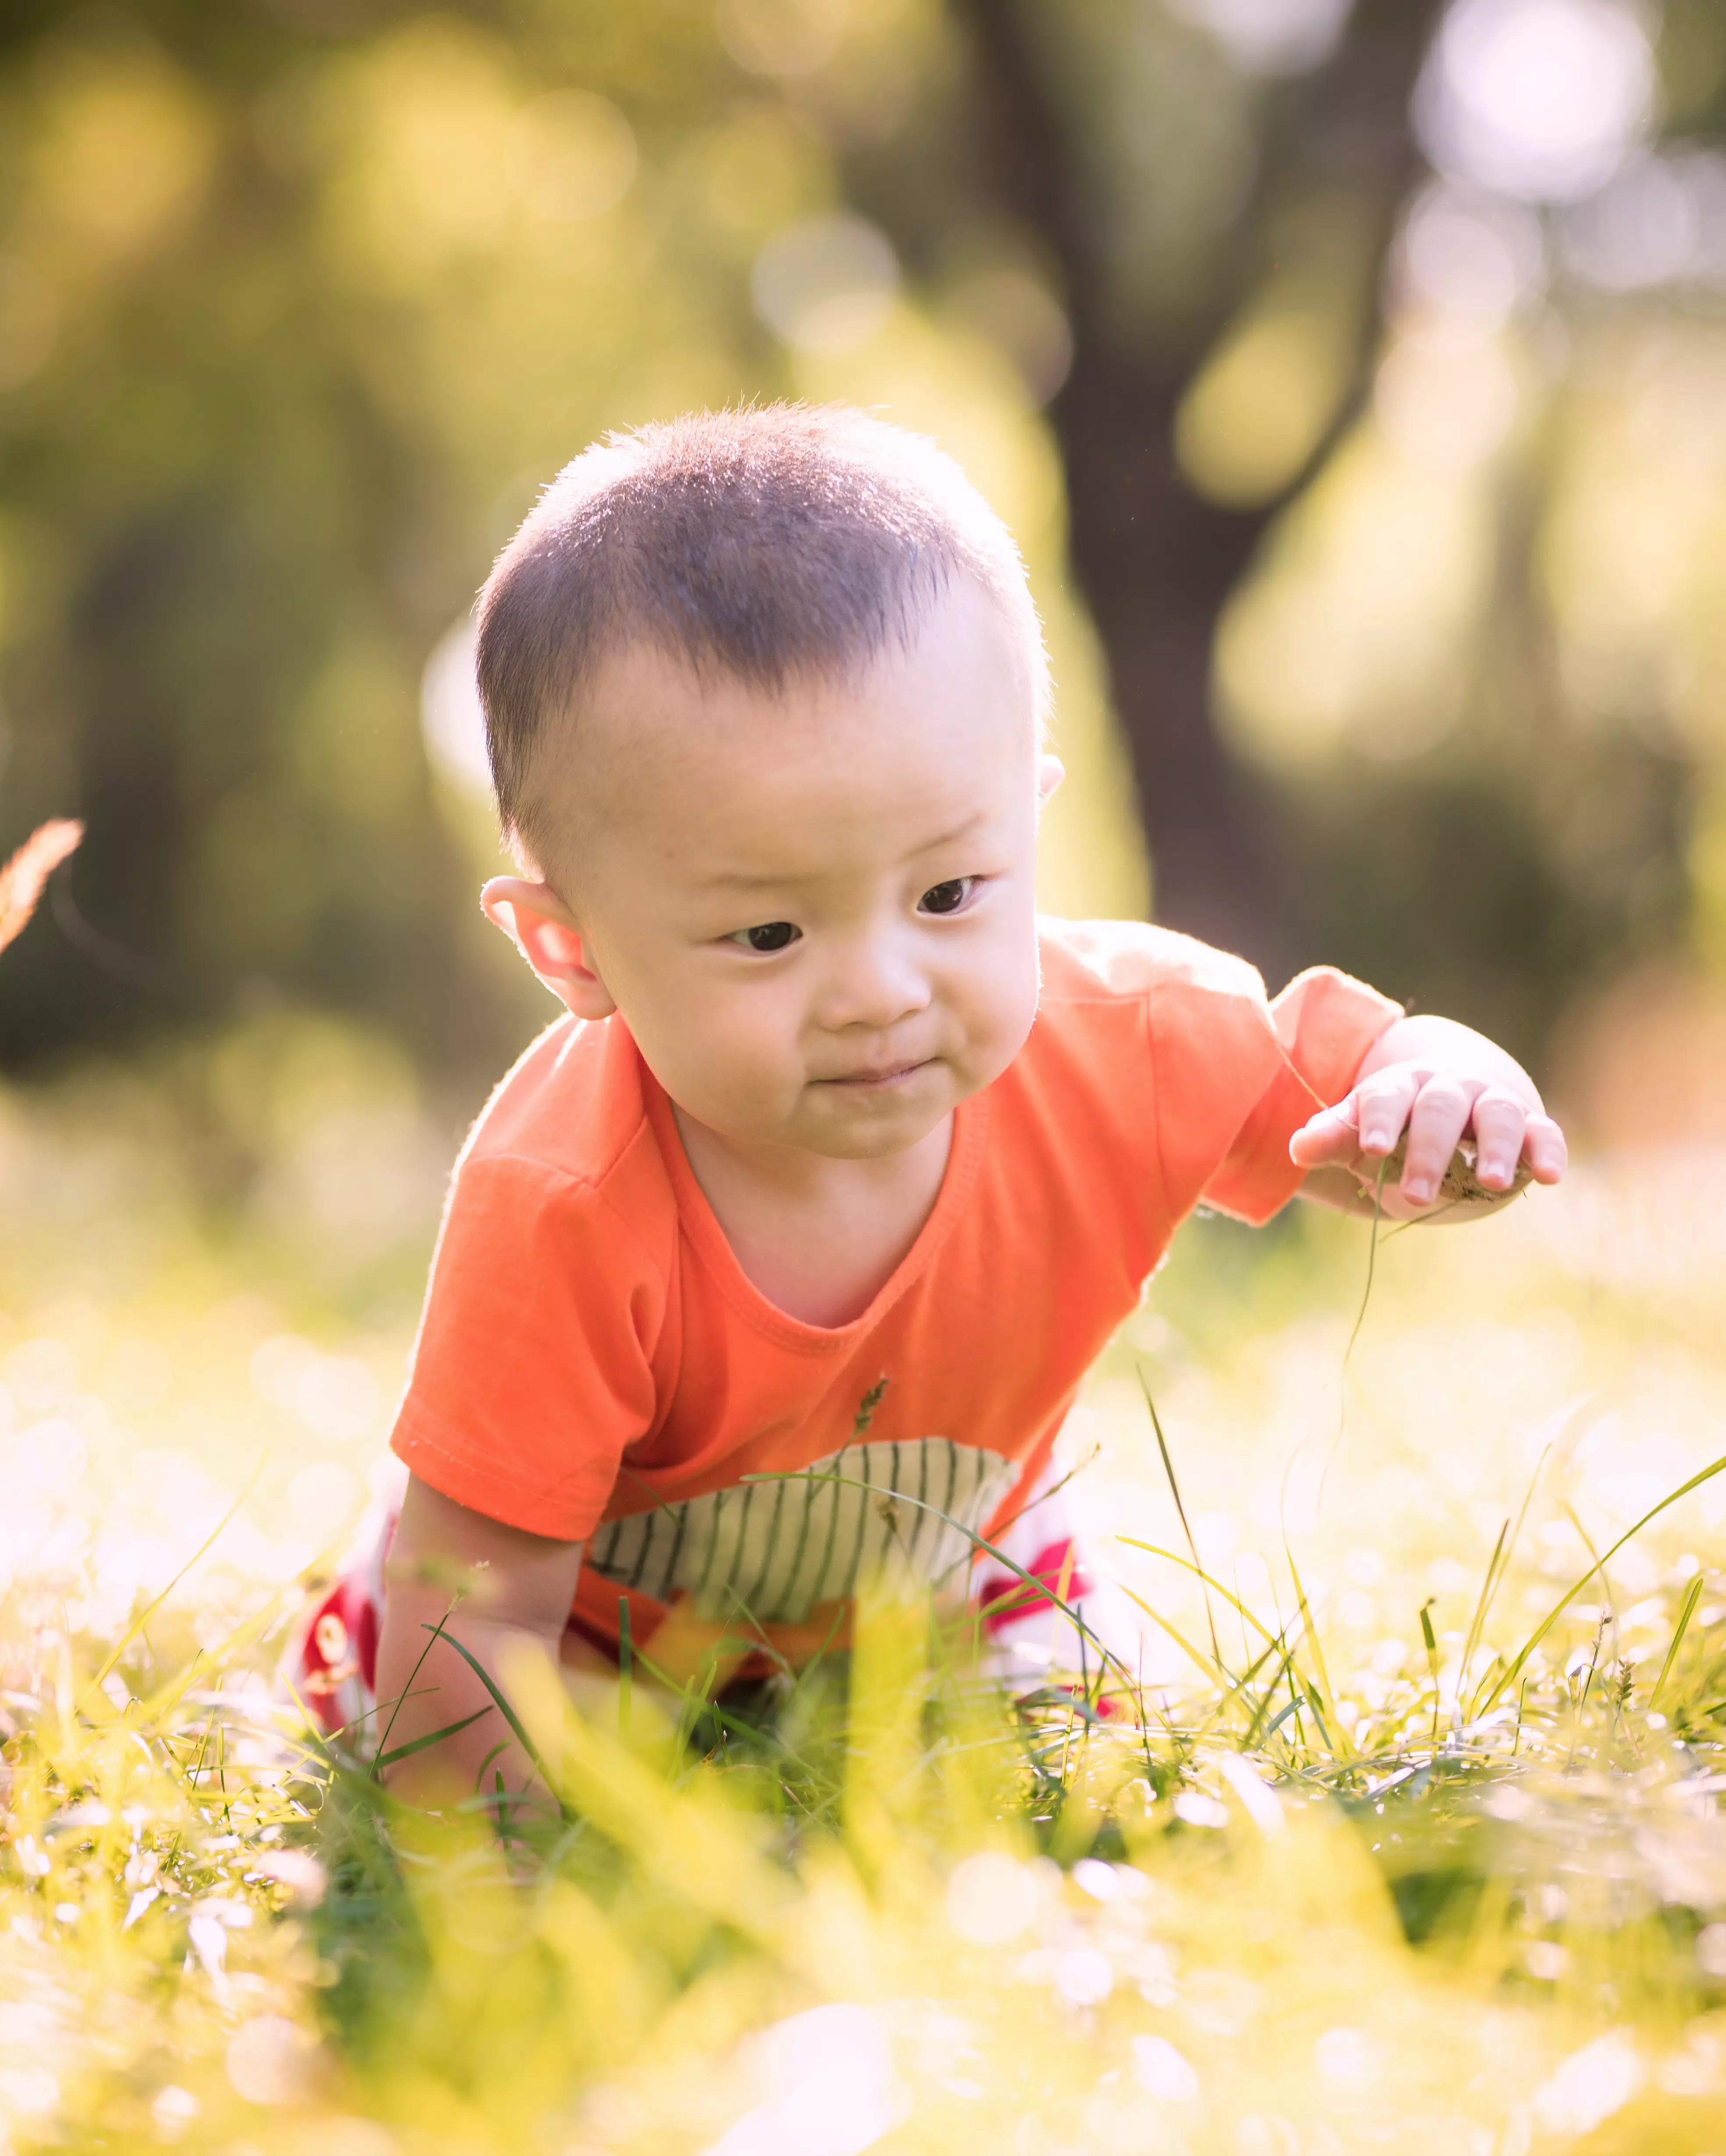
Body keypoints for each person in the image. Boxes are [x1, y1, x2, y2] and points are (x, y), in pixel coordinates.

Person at [297, 405, 1562, 1814]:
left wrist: (1445, 1100)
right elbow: (473, 1617)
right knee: (438, 1704)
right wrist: (508, 1877)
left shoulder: (1128, 1044)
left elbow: (1352, 1087)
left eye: (951, 895)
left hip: (958, 1575)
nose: (880, 991)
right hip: (588, 1626)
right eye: (771, 934)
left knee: (1081, 1790)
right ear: (571, 949)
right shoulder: (564, 1200)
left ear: (1024, 822)